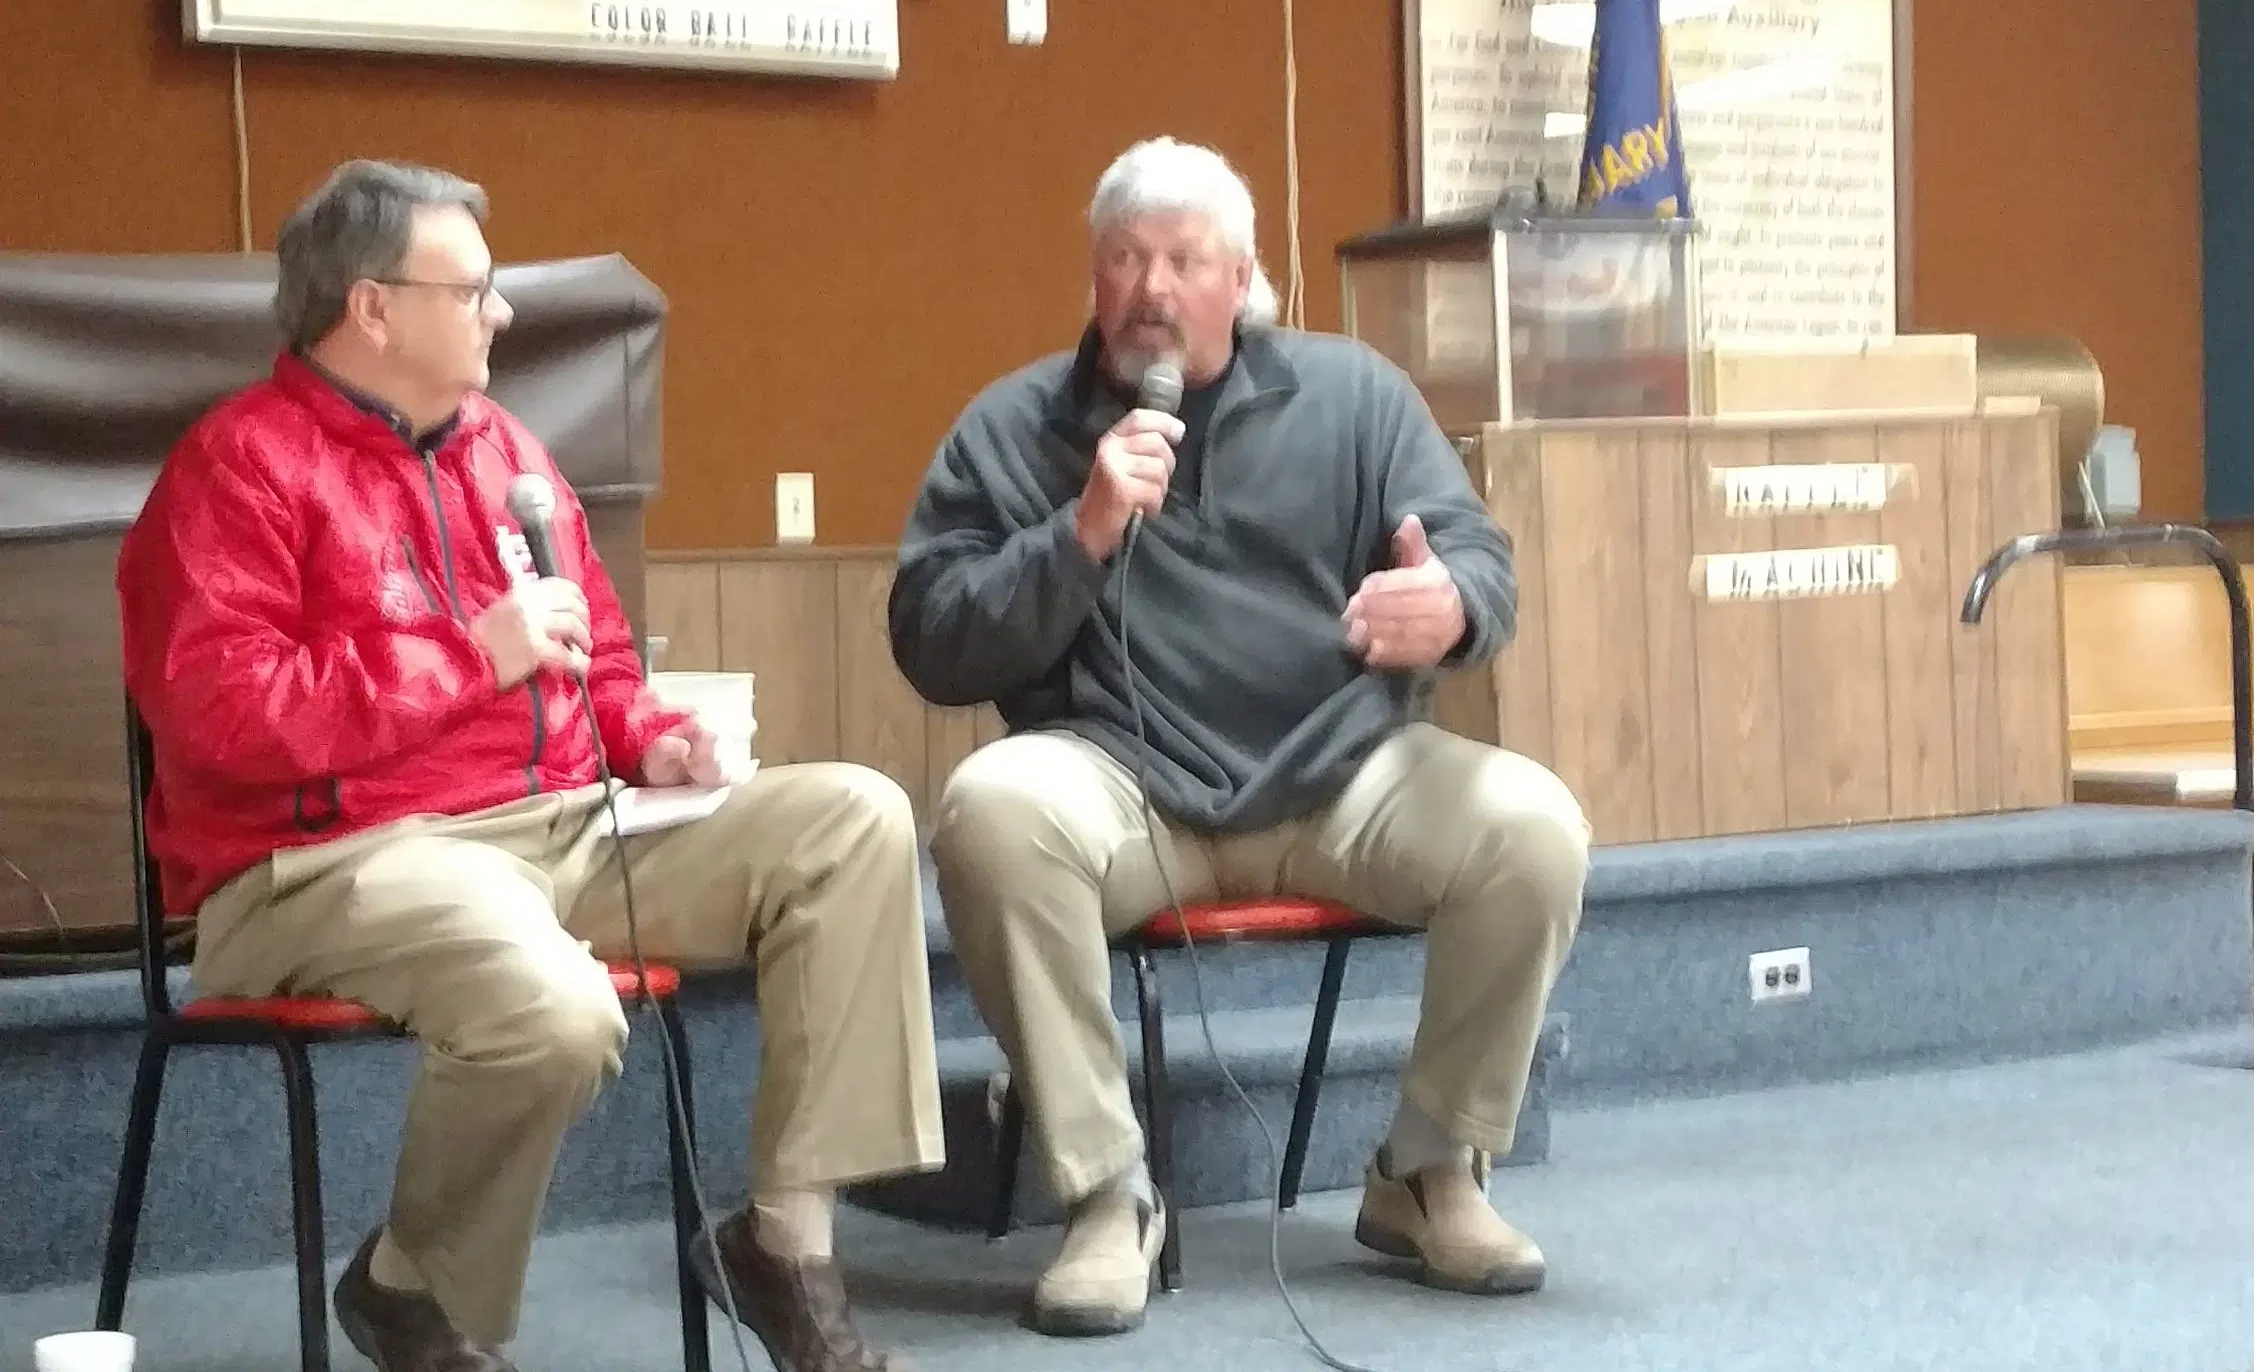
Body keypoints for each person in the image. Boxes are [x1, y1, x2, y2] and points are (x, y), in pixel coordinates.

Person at [116, 159, 941, 1372]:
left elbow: (597, 658)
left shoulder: (508, 451)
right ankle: (409, 1287)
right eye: (478, 289)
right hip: (327, 867)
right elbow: (220, 717)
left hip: (558, 830)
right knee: (559, 1009)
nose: (502, 313)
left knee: (854, 818)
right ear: (373, 306)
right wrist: (465, 658)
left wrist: (648, 737)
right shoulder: (237, 468)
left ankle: (782, 1247)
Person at [886, 137, 1591, 1338]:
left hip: (1341, 775)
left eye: (1183, 260)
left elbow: (1481, 559)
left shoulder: (1354, 395)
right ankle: (1106, 1193)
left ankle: (1430, 1171)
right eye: (1125, 258)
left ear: (1243, 280)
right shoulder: (1013, 431)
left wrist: (1452, 606)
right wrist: (1082, 531)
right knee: (993, 810)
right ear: (1094, 279)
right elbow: (932, 635)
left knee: (1533, 827)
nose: (1152, 288)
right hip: (1124, 781)